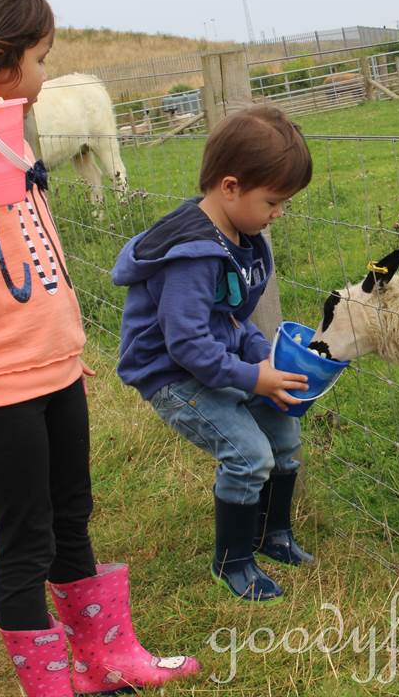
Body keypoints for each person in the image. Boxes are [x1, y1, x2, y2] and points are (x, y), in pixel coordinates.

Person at [0, 0, 199, 697]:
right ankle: (51, 683)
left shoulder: (11, 137)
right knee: (26, 541)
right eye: (40, 59)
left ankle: (102, 659)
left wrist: (62, 348)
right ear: (0, 61)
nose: (42, 74)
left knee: (72, 517)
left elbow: (35, 254)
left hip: (54, 368)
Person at [112, 105, 314, 602]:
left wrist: (262, 358)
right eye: (273, 200)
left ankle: (274, 534)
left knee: (283, 434)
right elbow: (185, 344)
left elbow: (229, 317)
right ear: (229, 187)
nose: (278, 213)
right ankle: (234, 562)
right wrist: (252, 379)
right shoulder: (192, 255)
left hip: (213, 360)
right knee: (248, 454)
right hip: (172, 375)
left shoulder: (236, 236)